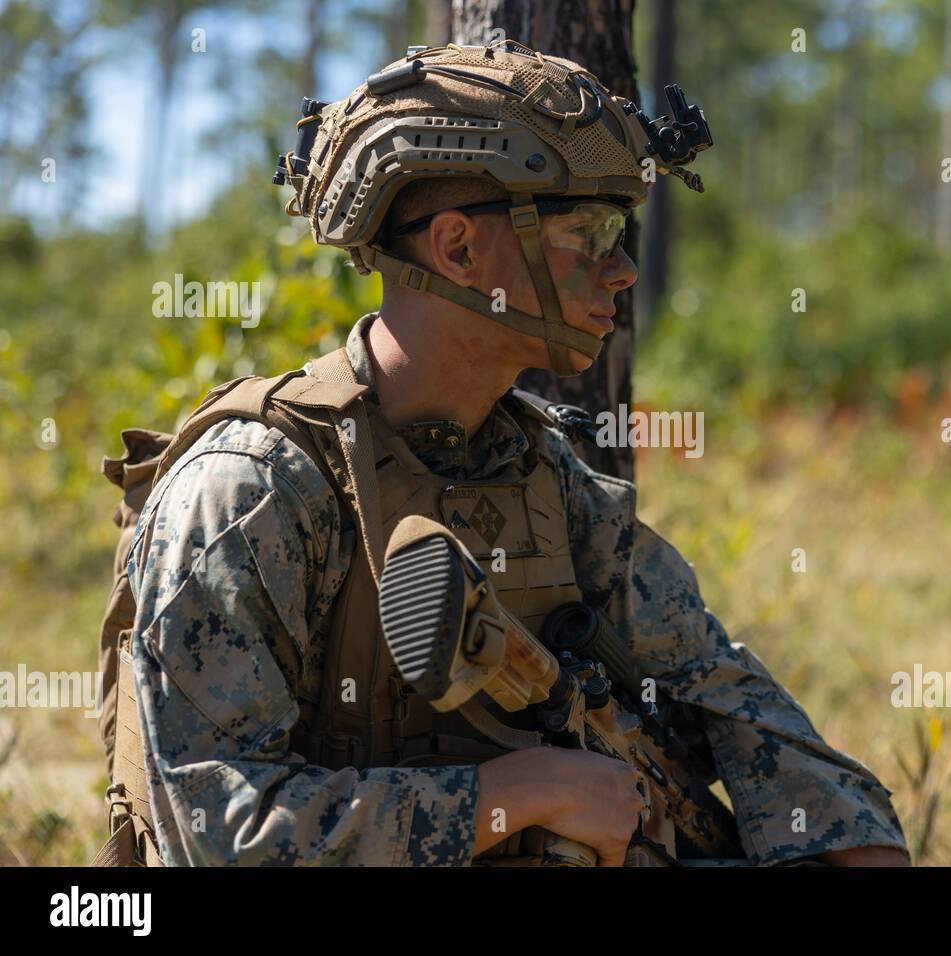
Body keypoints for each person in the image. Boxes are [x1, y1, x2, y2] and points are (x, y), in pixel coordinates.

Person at [114, 39, 908, 867]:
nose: (624, 269)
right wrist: (522, 795)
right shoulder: (256, 491)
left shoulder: (543, 475)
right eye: (588, 232)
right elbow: (221, 834)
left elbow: (723, 692)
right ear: (457, 250)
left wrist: (849, 842)